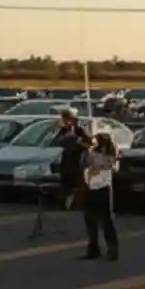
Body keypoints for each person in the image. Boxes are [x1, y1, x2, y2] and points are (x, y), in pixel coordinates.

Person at [81, 133, 120, 261]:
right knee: (90, 219)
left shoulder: (109, 156)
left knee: (106, 220)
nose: (94, 144)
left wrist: (99, 166)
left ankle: (112, 249)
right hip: (91, 188)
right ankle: (93, 248)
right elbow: (86, 164)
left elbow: (111, 166)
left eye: (97, 141)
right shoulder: (91, 153)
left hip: (103, 189)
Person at [52, 107, 90, 209]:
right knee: (65, 181)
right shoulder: (63, 130)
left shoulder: (79, 130)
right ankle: (64, 203)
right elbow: (55, 142)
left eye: (66, 119)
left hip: (76, 160)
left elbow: (89, 143)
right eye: (63, 119)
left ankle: (75, 203)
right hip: (65, 160)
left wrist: (79, 143)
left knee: (75, 182)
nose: (65, 121)